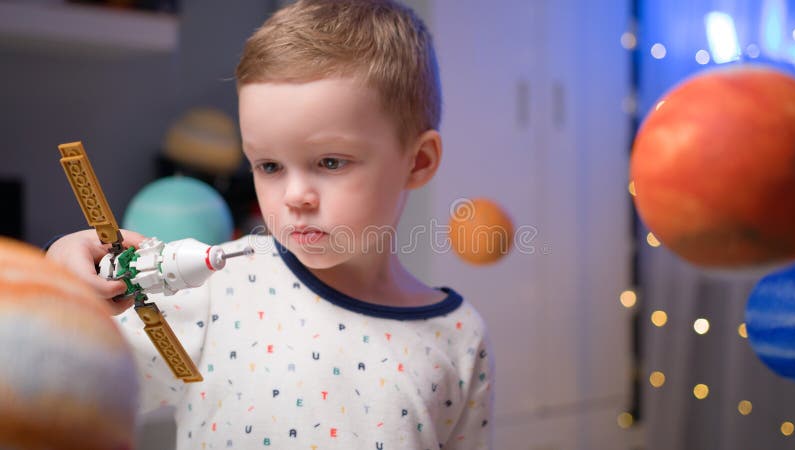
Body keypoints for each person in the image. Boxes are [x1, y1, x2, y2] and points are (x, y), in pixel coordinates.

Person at [46, 0, 494, 448]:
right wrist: (58, 285)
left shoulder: (458, 336)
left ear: (417, 161)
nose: (294, 196)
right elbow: (59, 382)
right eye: (269, 166)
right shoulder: (212, 292)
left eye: (330, 161)